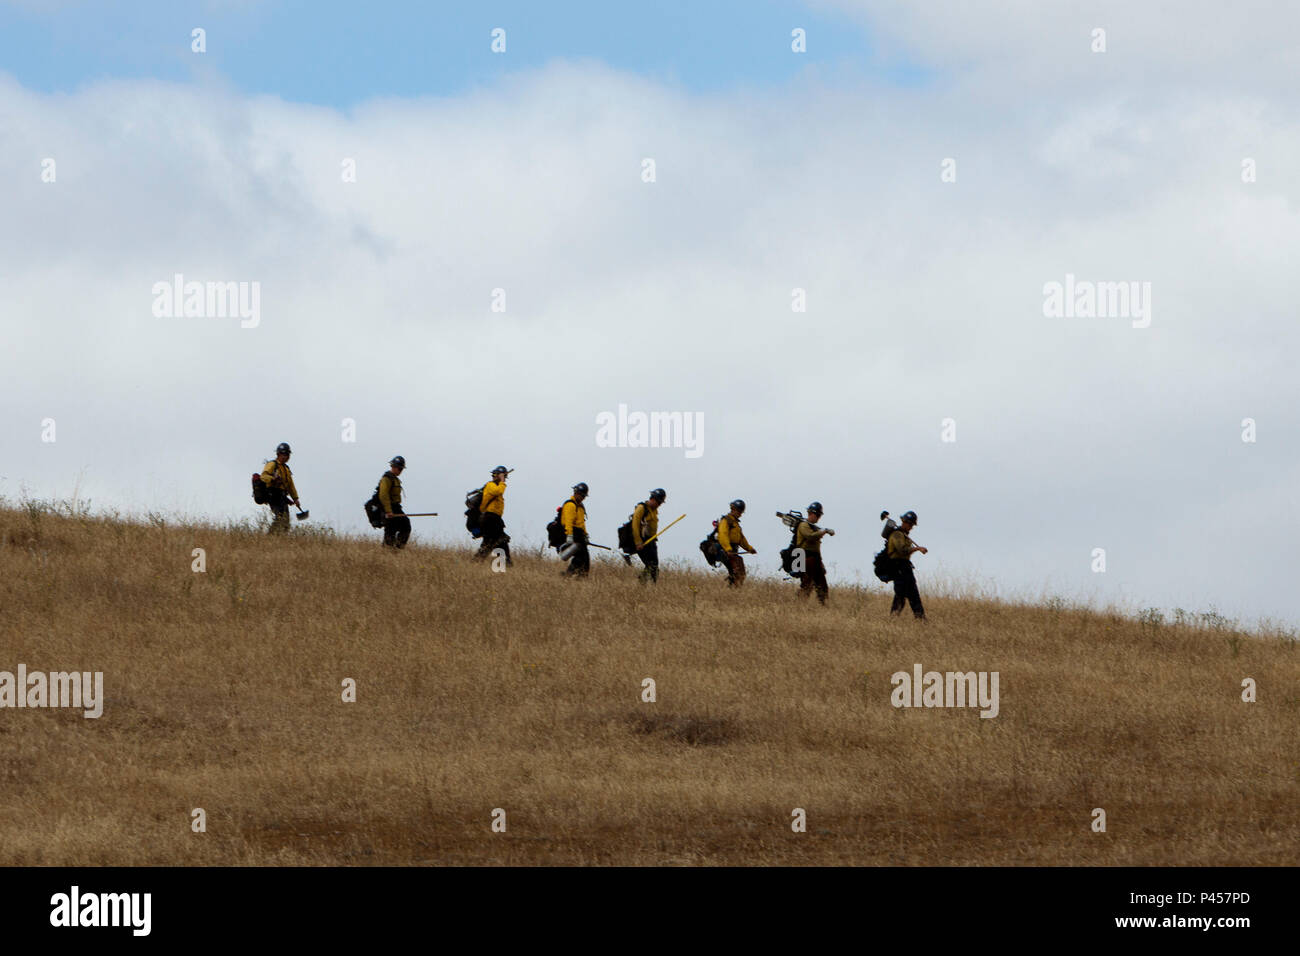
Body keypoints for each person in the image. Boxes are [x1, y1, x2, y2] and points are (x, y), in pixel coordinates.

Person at [887, 510, 928, 620]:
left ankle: (921, 620)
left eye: (912, 525)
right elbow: (902, 550)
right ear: (903, 522)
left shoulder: (904, 536)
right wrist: (918, 548)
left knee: (914, 595)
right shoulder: (896, 535)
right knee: (900, 595)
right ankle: (892, 620)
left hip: (905, 567)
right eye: (909, 524)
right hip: (897, 567)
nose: (911, 527)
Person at [795, 501, 835, 604]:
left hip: (815, 559)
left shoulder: (813, 528)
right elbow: (810, 536)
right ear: (811, 513)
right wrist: (823, 531)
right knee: (807, 583)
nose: (818, 518)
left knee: (822, 585)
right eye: (817, 515)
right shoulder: (803, 525)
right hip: (805, 557)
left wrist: (821, 563)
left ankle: (822, 604)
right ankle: (799, 604)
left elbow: (816, 548)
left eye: (819, 515)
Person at [259, 442, 302, 534]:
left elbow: (290, 486)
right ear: (278, 454)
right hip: (273, 494)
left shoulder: (286, 468)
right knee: (280, 517)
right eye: (284, 454)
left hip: (282, 496)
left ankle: (280, 538)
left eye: (287, 454)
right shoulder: (272, 464)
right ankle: (270, 537)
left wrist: (296, 498)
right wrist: (273, 479)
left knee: (285, 520)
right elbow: (263, 476)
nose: (286, 456)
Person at [476, 465, 511, 564]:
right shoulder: (490, 485)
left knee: (492, 542)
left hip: (494, 518)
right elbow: (497, 491)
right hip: (490, 518)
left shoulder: (495, 486)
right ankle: (506, 563)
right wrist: (502, 482)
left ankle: (477, 561)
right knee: (500, 540)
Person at [717, 499, 756, 586]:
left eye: (741, 512)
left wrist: (749, 548)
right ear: (733, 509)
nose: (740, 514)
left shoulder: (735, 524)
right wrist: (728, 549)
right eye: (738, 511)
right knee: (737, 572)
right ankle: (732, 589)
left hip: (733, 551)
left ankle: (734, 589)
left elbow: (741, 539)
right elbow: (723, 535)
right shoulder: (726, 521)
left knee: (740, 573)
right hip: (727, 551)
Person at [631, 488, 666, 583]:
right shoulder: (641, 508)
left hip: (652, 541)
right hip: (642, 541)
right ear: (653, 499)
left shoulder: (654, 511)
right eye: (658, 502)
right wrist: (638, 542)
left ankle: (652, 586)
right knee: (650, 565)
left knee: (654, 566)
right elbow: (635, 525)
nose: (659, 505)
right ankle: (642, 583)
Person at [378, 456, 410, 549]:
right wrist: (388, 511)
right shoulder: (387, 479)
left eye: (401, 469)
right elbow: (383, 495)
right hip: (388, 508)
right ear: (393, 467)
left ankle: (397, 550)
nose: (400, 471)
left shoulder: (395, 479)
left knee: (405, 526)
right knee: (391, 530)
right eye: (399, 468)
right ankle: (389, 552)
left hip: (396, 508)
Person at [561, 482, 590, 576]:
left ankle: (582, 576)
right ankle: (569, 574)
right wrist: (569, 536)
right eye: (581, 495)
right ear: (575, 493)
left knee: (585, 558)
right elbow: (568, 522)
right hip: (573, 533)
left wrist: (585, 534)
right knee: (580, 557)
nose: (582, 497)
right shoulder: (570, 505)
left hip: (580, 534)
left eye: (584, 496)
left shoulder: (581, 507)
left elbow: (582, 523)